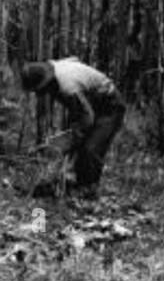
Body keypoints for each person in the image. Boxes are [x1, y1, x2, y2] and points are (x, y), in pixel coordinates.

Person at [21, 57, 126, 196]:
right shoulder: (56, 67)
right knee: (82, 143)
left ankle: (89, 189)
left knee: (91, 147)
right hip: (95, 102)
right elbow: (74, 60)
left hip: (110, 106)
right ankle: (80, 184)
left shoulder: (67, 86)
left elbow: (87, 118)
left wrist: (69, 140)